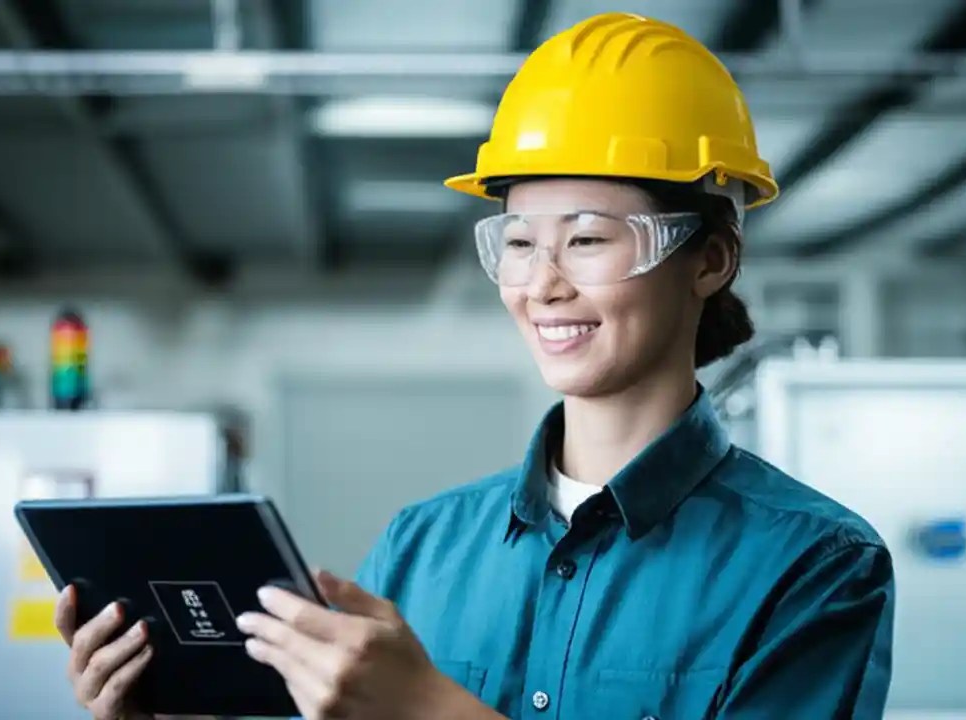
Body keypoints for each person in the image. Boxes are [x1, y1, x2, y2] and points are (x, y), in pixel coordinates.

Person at [55, 12, 895, 719]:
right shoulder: (421, 548)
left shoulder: (815, 565)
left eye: (589, 239)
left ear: (709, 259)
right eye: (520, 242)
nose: (543, 284)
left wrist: (429, 708)